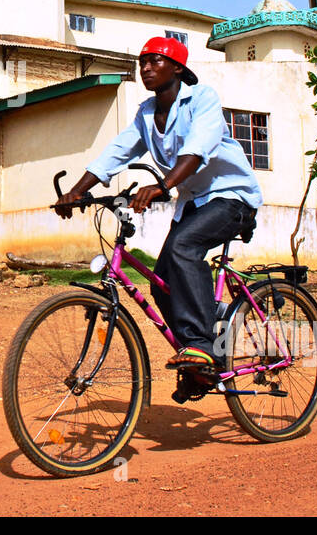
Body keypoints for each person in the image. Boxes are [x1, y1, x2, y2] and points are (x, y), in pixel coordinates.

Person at [54, 36, 263, 371]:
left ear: (177, 68)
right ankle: (201, 361)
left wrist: (163, 185)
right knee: (161, 282)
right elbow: (117, 152)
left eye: (155, 61)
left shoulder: (202, 99)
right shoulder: (147, 114)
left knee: (183, 246)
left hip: (232, 196)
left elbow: (196, 150)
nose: (146, 68)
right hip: (193, 204)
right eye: (142, 62)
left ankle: (201, 345)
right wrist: (77, 191)